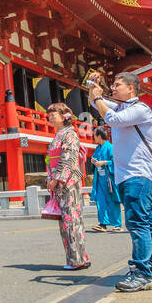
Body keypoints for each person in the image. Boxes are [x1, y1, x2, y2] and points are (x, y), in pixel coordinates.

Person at [87, 70, 152, 293]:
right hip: (130, 175)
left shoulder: (140, 109)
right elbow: (97, 104)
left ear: (131, 88)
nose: (112, 88)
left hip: (138, 174)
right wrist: (93, 87)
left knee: (137, 223)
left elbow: (110, 118)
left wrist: (97, 97)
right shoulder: (123, 107)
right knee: (148, 222)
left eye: (117, 85)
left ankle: (142, 272)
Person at [45, 103, 89, 270]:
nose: (50, 118)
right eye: (49, 115)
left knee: (71, 220)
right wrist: (50, 179)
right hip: (59, 183)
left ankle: (77, 259)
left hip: (68, 183)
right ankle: (78, 258)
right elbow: (50, 160)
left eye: (53, 115)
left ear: (63, 116)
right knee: (68, 220)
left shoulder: (69, 135)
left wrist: (56, 179)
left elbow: (68, 159)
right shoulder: (58, 136)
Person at [87, 126, 122, 232]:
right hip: (100, 179)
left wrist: (104, 162)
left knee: (113, 201)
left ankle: (117, 224)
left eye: (95, 136)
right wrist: (94, 161)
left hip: (109, 179)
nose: (94, 138)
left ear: (99, 136)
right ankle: (103, 223)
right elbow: (95, 159)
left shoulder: (110, 147)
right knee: (101, 201)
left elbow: (116, 161)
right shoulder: (98, 148)